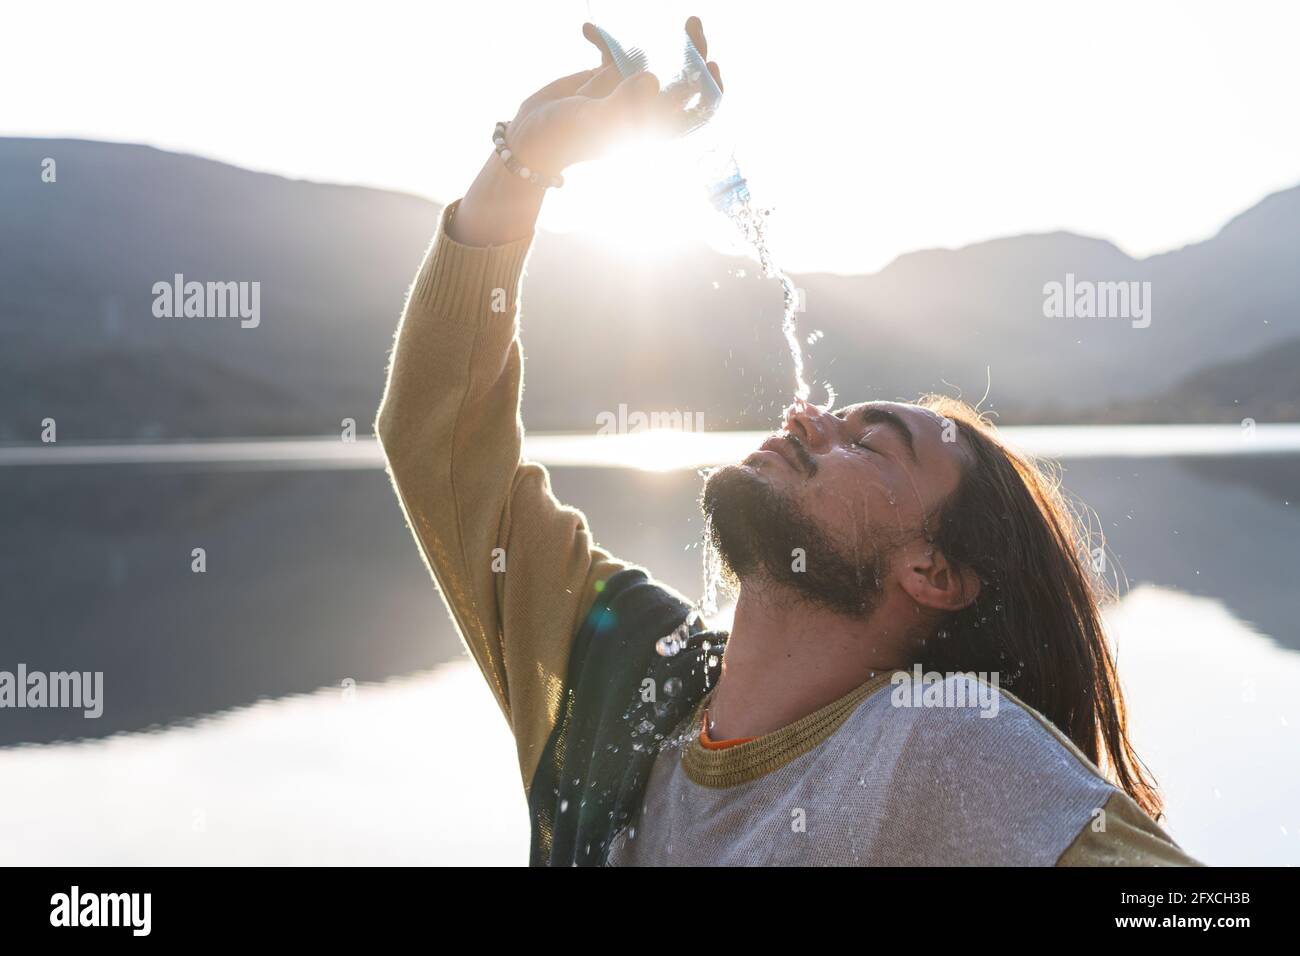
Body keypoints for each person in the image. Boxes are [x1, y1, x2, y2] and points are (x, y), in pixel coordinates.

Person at [376, 17, 1200, 867]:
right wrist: (526, 162)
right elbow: (439, 442)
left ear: (934, 573)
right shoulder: (615, 673)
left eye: (869, 442)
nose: (808, 419)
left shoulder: (940, 751)